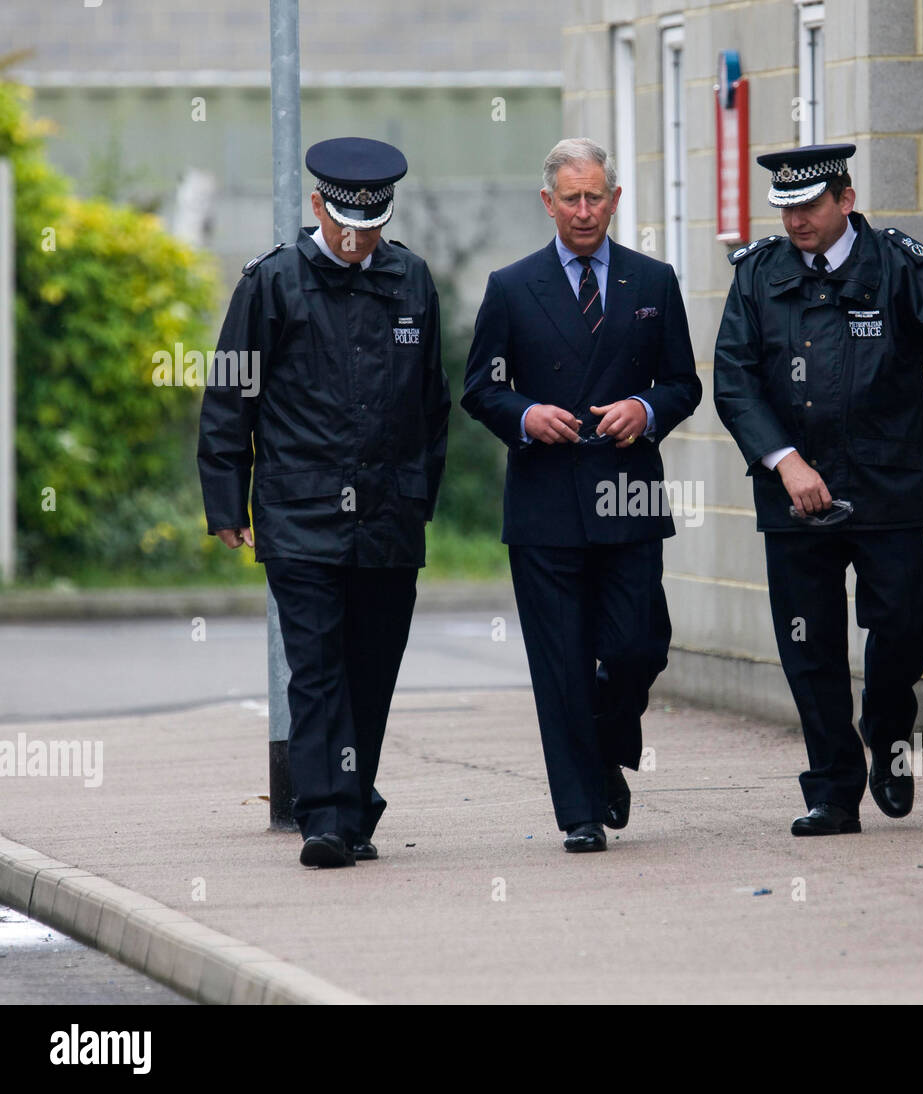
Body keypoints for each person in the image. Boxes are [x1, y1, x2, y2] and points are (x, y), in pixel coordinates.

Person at [713, 143, 923, 836]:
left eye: (809, 206)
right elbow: (735, 379)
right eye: (785, 208)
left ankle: (888, 728)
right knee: (808, 647)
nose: (796, 222)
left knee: (904, 621)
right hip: (795, 492)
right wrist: (785, 463)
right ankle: (833, 792)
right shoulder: (758, 274)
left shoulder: (896, 262)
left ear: (845, 199)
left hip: (883, 483)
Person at [197, 137, 450, 868]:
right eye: (345, 222)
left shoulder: (412, 280)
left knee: (371, 667)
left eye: (370, 225)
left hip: (388, 516)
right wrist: (226, 501)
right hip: (300, 512)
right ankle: (326, 818)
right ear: (318, 206)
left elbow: (432, 407)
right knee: (316, 668)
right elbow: (229, 397)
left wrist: (419, 497)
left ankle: (354, 799)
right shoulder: (272, 283)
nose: (355, 236)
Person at [462, 137, 701, 853]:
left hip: (628, 498)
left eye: (597, 195)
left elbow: (684, 383)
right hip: (546, 503)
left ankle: (604, 755)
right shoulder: (512, 286)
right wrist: (527, 417)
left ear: (615, 199)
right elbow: (480, 389)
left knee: (636, 647)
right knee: (561, 661)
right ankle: (580, 812)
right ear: (549, 203)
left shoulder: (652, 282)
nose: (586, 209)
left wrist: (648, 410)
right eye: (572, 198)